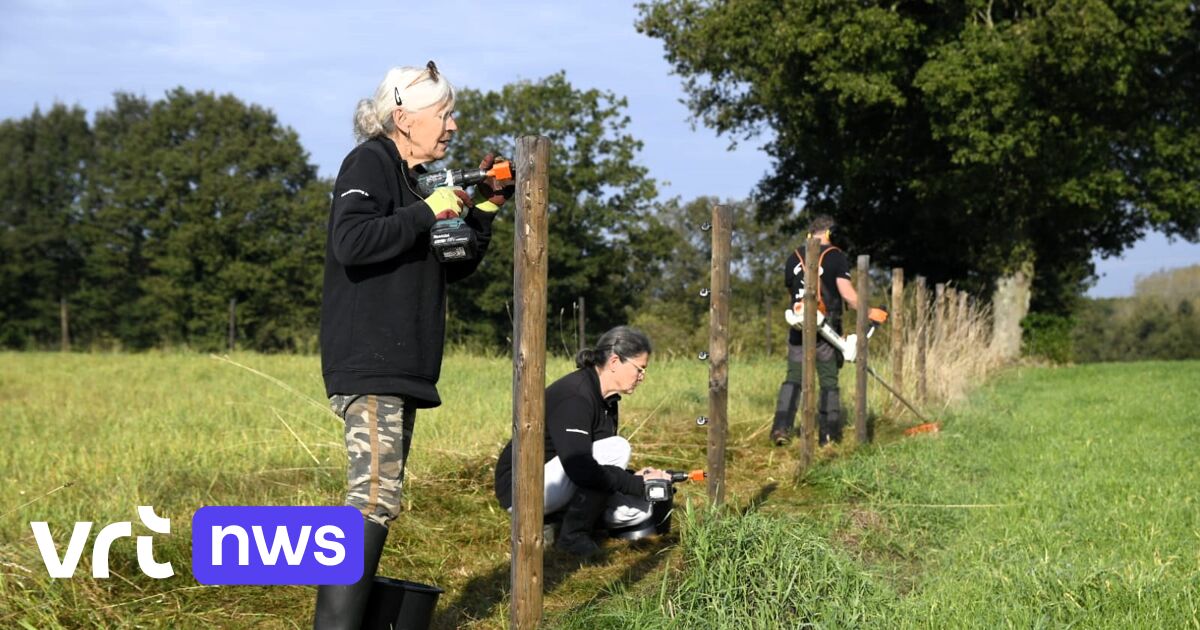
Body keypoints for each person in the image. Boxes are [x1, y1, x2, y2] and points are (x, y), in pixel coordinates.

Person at [314, 61, 513, 629]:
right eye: (443, 113)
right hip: (369, 363)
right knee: (372, 498)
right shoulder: (369, 163)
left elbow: (456, 258)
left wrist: (487, 207)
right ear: (402, 117)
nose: (452, 125)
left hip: (402, 366)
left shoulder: (420, 180)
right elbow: (351, 241)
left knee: (379, 497)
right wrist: (428, 210)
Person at [493, 326, 673, 558]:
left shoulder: (608, 399)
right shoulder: (575, 396)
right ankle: (572, 536)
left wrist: (638, 478)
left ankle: (558, 522)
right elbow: (581, 469)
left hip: (561, 479)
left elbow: (597, 467)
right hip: (523, 489)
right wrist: (635, 484)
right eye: (640, 369)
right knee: (618, 448)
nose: (642, 377)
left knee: (641, 510)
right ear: (615, 361)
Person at [770, 214, 859, 447]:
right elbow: (848, 294)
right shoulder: (835, 256)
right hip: (826, 328)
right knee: (828, 380)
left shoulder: (794, 257)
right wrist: (869, 311)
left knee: (793, 378)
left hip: (797, 326)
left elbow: (791, 290)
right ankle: (828, 437)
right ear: (830, 233)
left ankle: (781, 430)